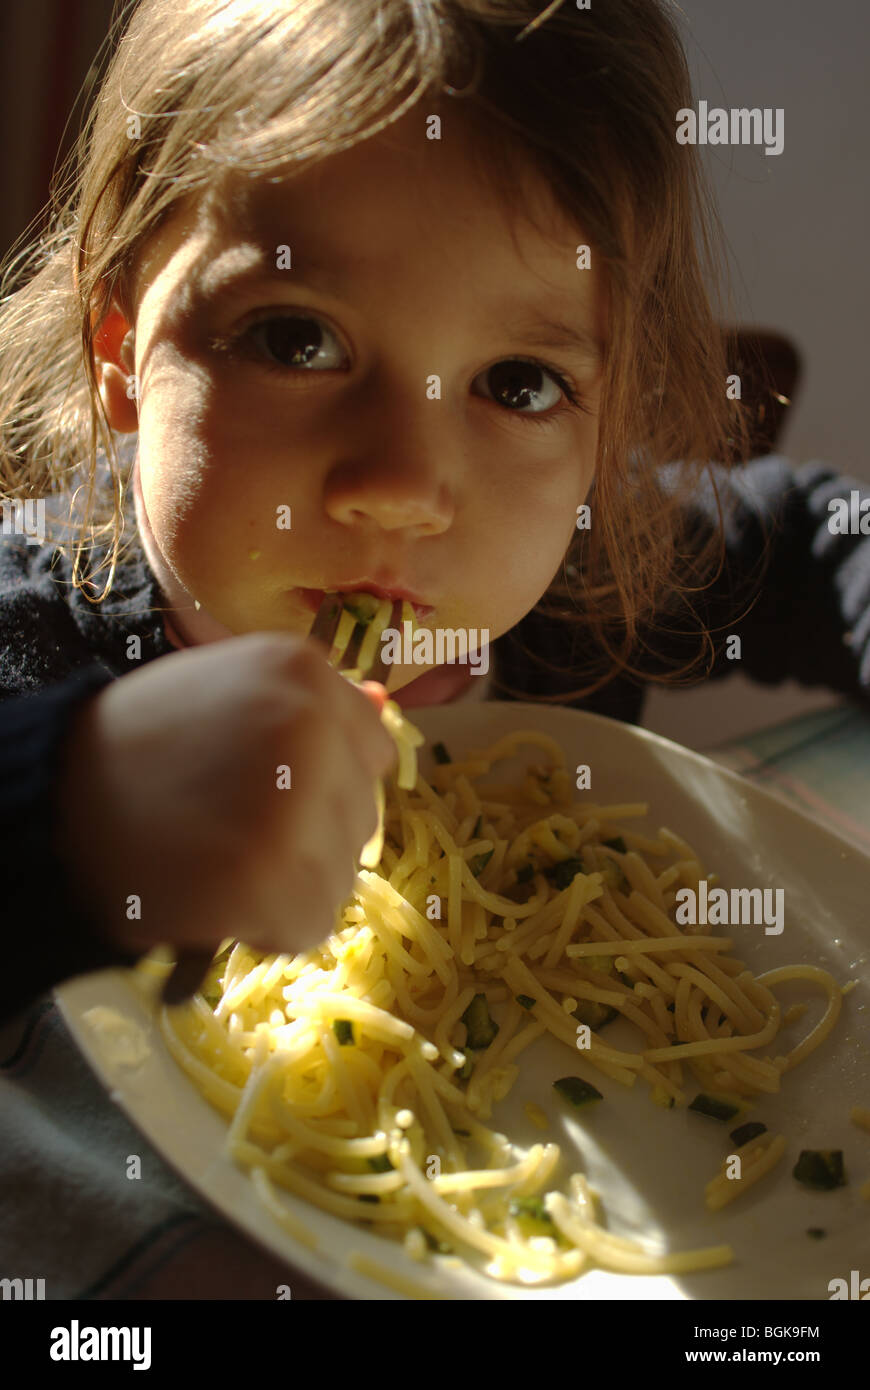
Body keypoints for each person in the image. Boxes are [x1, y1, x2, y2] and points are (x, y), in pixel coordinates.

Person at [1, 0, 868, 1027]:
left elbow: (825, 533)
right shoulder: (34, 632)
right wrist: (75, 806)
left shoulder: (594, 579)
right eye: (294, 341)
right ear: (119, 350)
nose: (406, 487)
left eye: (517, 382)